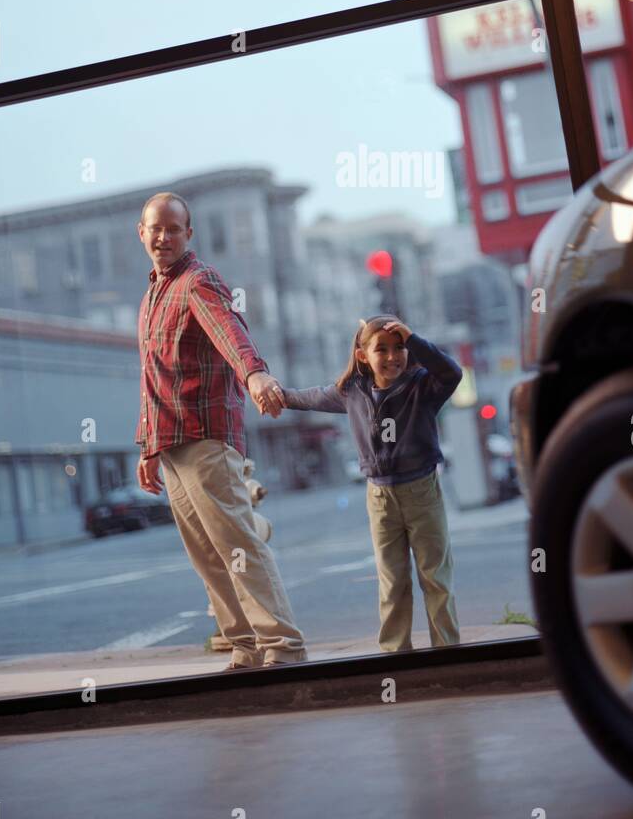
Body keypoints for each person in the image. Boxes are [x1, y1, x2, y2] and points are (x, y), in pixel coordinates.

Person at [134, 191, 306, 669]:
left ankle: (284, 646)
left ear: (189, 234)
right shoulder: (152, 294)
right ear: (141, 233)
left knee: (237, 545)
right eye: (156, 228)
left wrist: (255, 373)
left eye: (173, 229)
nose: (164, 237)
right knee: (208, 554)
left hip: (205, 437)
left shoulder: (197, 280)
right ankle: (246, 647)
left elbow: (230, 331)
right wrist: (147, 446)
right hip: (169, 444)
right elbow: (152, 376)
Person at [276, 316, 462, 652]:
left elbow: (452, 372)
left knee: (435, 578)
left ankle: (446, 651)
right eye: (382, 350)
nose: (393, 356)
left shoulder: (423, 385)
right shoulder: (352, 392)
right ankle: (395, 653)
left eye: (399, 348)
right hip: (379, 496)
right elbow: (312, 397)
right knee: (392, 582)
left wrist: (415, 338)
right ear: (363, 355)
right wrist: (279, 396)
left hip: (422, 491)